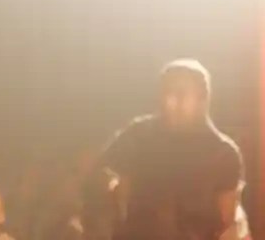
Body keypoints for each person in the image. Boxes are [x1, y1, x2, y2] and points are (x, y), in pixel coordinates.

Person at [81, 59, 245, 240]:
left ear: (201, 98)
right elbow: (101, 175)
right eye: (166, 92)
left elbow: (227, 224)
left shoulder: (222, 154)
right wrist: (110, 193)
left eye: (180, 94)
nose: (169, 102)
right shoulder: (138, 135)